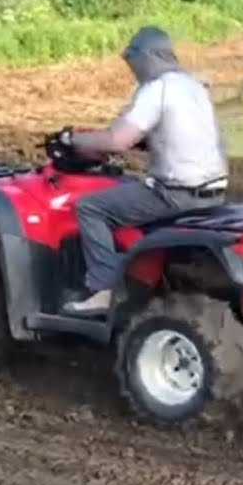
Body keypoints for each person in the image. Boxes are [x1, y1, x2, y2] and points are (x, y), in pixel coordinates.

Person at [61, 25, 228, 316]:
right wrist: (142, 144)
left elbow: (117, 140)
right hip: (214, 191)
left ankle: (103, 289)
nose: (133, 70)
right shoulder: (193, 86)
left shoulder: (157, 88)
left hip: (176, 194)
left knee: (91, 208)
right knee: (130, 186)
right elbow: (179, 136)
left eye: (133, 62)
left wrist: (73, 139)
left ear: (148, 56)